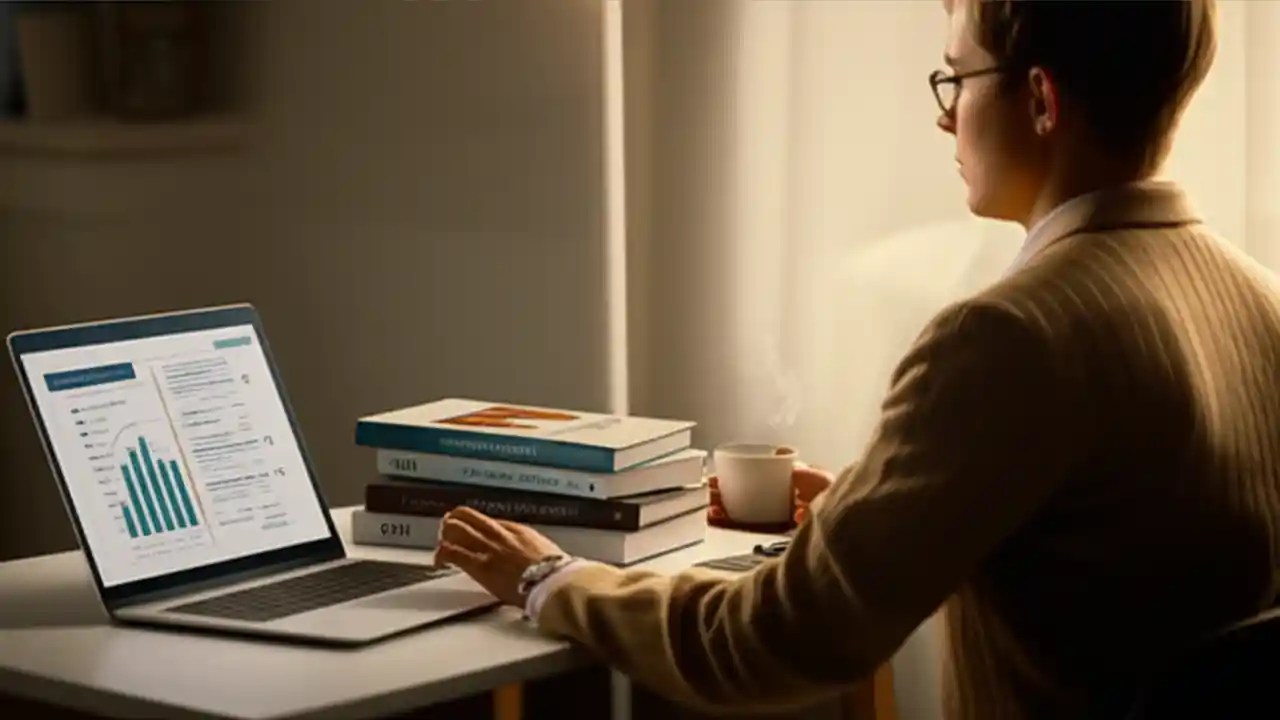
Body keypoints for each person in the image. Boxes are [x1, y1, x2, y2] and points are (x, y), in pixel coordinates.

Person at [435, 0, 1280, 717]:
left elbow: (777, 641)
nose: (944, 116)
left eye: (957, 78)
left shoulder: (1009, 339)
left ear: (1040, 99)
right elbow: (1121, 575)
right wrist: (882, 517)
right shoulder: (1260, 302)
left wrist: (549, 579)